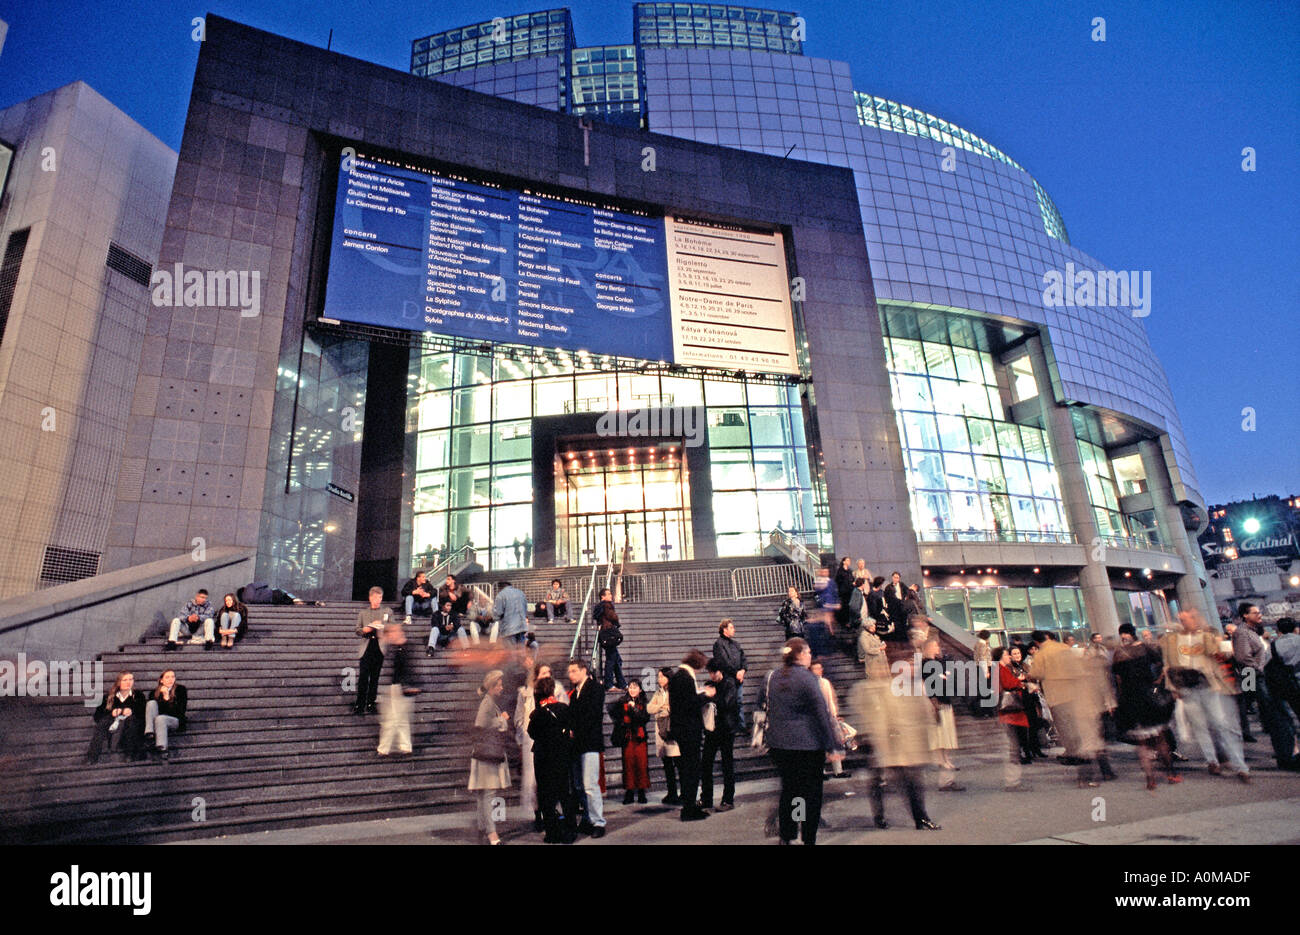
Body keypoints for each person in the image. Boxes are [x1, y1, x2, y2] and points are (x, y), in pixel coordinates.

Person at [758, 638, 838, 844]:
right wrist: (832, 745)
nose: (811, 655)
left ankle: (788, 835)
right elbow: (822, 714)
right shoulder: (808, 679)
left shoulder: (773, 676)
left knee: (791, 791)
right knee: (811, 794)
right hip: (807, 746)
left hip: (780, 745)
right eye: (809, 652)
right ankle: (807, 838)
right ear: (800, 654)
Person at [852, 651, 941, 831]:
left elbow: (925, 712)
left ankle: (920, 818)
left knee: (912, 782)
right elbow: (879, 717)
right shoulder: (877, 689)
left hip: (907, 745)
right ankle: (881, 816)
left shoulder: (910, 687)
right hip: (884, 743)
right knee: (880, 782)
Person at [1160, 610, 1249, 780]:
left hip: (1208, 686)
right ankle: (1212, 760)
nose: (1186, 622)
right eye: (1182, 620)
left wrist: (1219, 645)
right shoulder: (1172, 641)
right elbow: (1168, 665)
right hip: (1186, 687)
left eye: (1188, 619)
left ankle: (1240, 765)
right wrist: (1173, 688)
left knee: (1221, 724)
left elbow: (1221, 656)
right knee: (1199, 726)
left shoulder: (1206, 637)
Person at [1029, 630, 1113, 786]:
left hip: (1057, 698)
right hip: (1076, 696)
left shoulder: (1041, 654)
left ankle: (1084, 777)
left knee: (1072, 737)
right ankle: (1105, 772)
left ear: (1036, 642)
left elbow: (1036, 673)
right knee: (1085, 734)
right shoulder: (1064, 649)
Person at [1111, 623, 1179, 789]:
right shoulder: (1146, 648)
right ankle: (1170, 773)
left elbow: (1118, 679)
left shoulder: (1119, 653)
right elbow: (1161, 665)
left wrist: (1120, 698)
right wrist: (1157, 682)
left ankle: (1151, 778)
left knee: (1143, 741)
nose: (1123, 637)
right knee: (1158, 736)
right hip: (1148, 695)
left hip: (1131, 698)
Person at [1233, 602, 1295, 768]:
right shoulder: (1242, 633)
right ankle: (1286, 757)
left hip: (1263, 678)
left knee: (1280, 717)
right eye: (1255, 613)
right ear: (1245, 615)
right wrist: (1260, 669)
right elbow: (1242, 658)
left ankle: (1286, 754)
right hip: (1260, 678)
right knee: (1277, 717)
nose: (1259, 615)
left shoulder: (1252, 632)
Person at [527, 675, 575, 844]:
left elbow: (531, 732)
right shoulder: (563, 708)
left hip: (542, 756)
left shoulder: (537, 713)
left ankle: (552, 833)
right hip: (561, 755)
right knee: (564, 792)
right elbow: (570, 727)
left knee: (545, 795)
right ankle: (570, 831)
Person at [468, 670, 511, 845]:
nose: (501, 687)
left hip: (483, 754)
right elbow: (481, 723)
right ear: (492, 686)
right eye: (499, 684)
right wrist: (501, 719)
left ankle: (482, 827)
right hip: (488, 754)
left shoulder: (489, 701)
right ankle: (492, 833)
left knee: (483, 793)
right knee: (489, 792)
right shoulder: (487, 702)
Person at [566, 658, 607, 837]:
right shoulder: (574, 693)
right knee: (579, 786)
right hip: (577, 745)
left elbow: (593, 715)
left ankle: (599, 822)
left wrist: (575, 730)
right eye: (569, 671)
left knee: (590, 784)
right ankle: (588, 819)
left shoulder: (595, 688)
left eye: (574, 671)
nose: (571, 674)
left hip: (590, 742)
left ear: (584, 670)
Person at [669, 650, 708, 822]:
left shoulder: (679, 676)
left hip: (682, 729)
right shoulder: (685, 677)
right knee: (691, 769)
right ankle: (689, 809)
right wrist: (706, 695)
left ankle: (689, 806)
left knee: (687, 769)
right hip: (688, 730)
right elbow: (690, 704)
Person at [921, 638, 963, 790]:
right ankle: (941, 760)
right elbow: (928, 684)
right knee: (939, 733)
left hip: (945, 698)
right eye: (935, 645)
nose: (938, 647)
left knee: (945, 732)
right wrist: (932, 701)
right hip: (937, 700)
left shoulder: (938, 662)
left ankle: (946, 758)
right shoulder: (926, 664)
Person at [701, 659, 739, 810]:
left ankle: (728, 799)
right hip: (712, 729)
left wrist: (712, 695)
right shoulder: (709, 684)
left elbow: (726, 704)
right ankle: (706, 798)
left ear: (720, 671)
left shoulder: (729, 684)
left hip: (726, 729)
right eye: (709, 672)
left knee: (727, 764)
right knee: (706, 764)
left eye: (714, 672)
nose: (711, 675)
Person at [85, 672, 146, 763]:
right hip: (113, 722)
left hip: (130, 725)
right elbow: (97, 717)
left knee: (131, 720)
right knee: (102, 723)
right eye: (125, 680)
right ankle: (92, 757)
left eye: (130, 679)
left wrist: (132, 711)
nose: (128, 682)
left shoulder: (138, 696)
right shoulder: (109, 697)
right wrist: (111, 713)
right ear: (119, 682)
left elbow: (143, 714)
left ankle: (130, 755)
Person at [994, 647, 1031, 789]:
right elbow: (1009, 684)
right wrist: (1019, 681)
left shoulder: (1003, 668)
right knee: (1013, 746)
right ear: (1001, 656)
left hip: (1012, 710)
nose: (1009, 656)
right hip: (1010, 709)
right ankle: (1013, 781)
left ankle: (1014, 780)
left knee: (1014, 745)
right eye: (1006, 654)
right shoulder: (1000, 668)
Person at [609, 678, 650, 805]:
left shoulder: (643, 702)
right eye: (630, 687)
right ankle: (629, 792)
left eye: (635, 687)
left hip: (639, 736)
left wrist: (634, 709)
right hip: (627, 736)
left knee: (641, 764)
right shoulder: (622, 701)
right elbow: (614, 713)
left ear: (640, 689)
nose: (632, 690)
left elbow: (644, 718)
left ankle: (642, 791)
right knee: (628, 764)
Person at [377, 623, 415, 756]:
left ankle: (384, 748)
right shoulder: (400, 648)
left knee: (392, 718)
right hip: (399, 686)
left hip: (400, 686)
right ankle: (405, 746)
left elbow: (409, 669)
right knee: (401, 718)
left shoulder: (403, 648)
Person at [810, 659, 850, 780]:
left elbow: (831, 700)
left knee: (835, 744)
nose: (819, 671)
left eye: (820, 668)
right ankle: (821, 771)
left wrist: (834, 714)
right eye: (816, 668)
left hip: (829, 717)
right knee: (820, 746)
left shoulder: (825, 682)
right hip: (816, 718)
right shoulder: (810, 684)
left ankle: (838, 770)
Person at [647, 667, 681, 805]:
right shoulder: (658, 693)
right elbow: (649, 708)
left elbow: (675, 708)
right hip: (661, 731)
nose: (659, 679)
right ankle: (671, 792)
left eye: (662, 676)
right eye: (658, 677)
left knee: (678, 762)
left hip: (672, 730)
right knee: (667, 764)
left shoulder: (675, 691)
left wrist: (664, 709)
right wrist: (662, 706)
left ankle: (684, 793)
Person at [354, 586, 390, 715]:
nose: (378, 600)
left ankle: (371, 703)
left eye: (380, 597)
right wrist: (366, 629)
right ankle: (359, 704)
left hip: (378, 646)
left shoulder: (386, 611)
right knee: (363, 677)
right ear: (370, 598)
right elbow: (357, 630)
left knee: (375, 678)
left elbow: (392, 626)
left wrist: (383, 627)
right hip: (367, 646)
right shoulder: (363, 613)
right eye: (375, 597)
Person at [1010, 644, 1046, 758]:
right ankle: (1027, 749)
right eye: (1014, 654)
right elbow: (1015, 680)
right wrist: (1024, 678)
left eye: (1018, 653)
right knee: (1024, 726)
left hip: (1031, 697)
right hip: (1020, 698)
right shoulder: (1010, 667)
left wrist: (1026, 677)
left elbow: (1033, 676)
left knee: (1034, 723)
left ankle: (1036, 748)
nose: (1017, 655)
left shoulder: (1024, 665)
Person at [144, 669, 188, 760]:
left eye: (172, 677)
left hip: (175, 720)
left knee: (161, 718)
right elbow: (155, 712)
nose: (170, 679)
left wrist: (166, 697)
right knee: (151, 703)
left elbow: (179, 712)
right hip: (158, 722)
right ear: (161, 680)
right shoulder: (154, 693)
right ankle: (149, 733)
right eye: (167, 677)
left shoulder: (181, 690)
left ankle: (162, 748)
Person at [712, 618, 747, 729]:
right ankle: (731, 726)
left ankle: (741, 725)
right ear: (724, 630)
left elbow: (743, 658)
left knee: (739, 701)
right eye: (731, 627)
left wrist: (743, 670)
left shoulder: (736, 644)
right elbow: (723, 661)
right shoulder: (718, 644)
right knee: (730, 703)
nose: (734, 630)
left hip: (737, 677)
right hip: (727, 680)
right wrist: (736, 673)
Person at [594, 588, 626, 690]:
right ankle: (609, 684)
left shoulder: (599, 607)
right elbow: (612, 617)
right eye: (608, 594)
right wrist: (616, 618)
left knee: (615, 659)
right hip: (609, 633)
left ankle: (622, 684)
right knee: (611, 660)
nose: (611, 596)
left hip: (604, 634)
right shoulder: (606, 605)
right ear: (603, 597)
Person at [493, 580, 528, 645]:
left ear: (500, 587)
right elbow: (525, 608)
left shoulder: (501, 595)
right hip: (522, 626)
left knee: (511, 652)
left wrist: (494, 618)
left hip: (509, 628)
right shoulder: (521, 592)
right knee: (520, 650)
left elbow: (498, 612)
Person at [884, 572, 908, 640]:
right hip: (894, 608)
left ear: (899, 578)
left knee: (903, 622)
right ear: (892, 577)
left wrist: (904, 600)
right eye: (894, 577)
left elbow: (907, 592)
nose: (896, 579)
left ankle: (903, 637)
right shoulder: (888, 587)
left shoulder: (902, 585)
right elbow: (887, 598)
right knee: (896, 623)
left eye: (897, 577)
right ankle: (897, 638)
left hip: (902, 606)